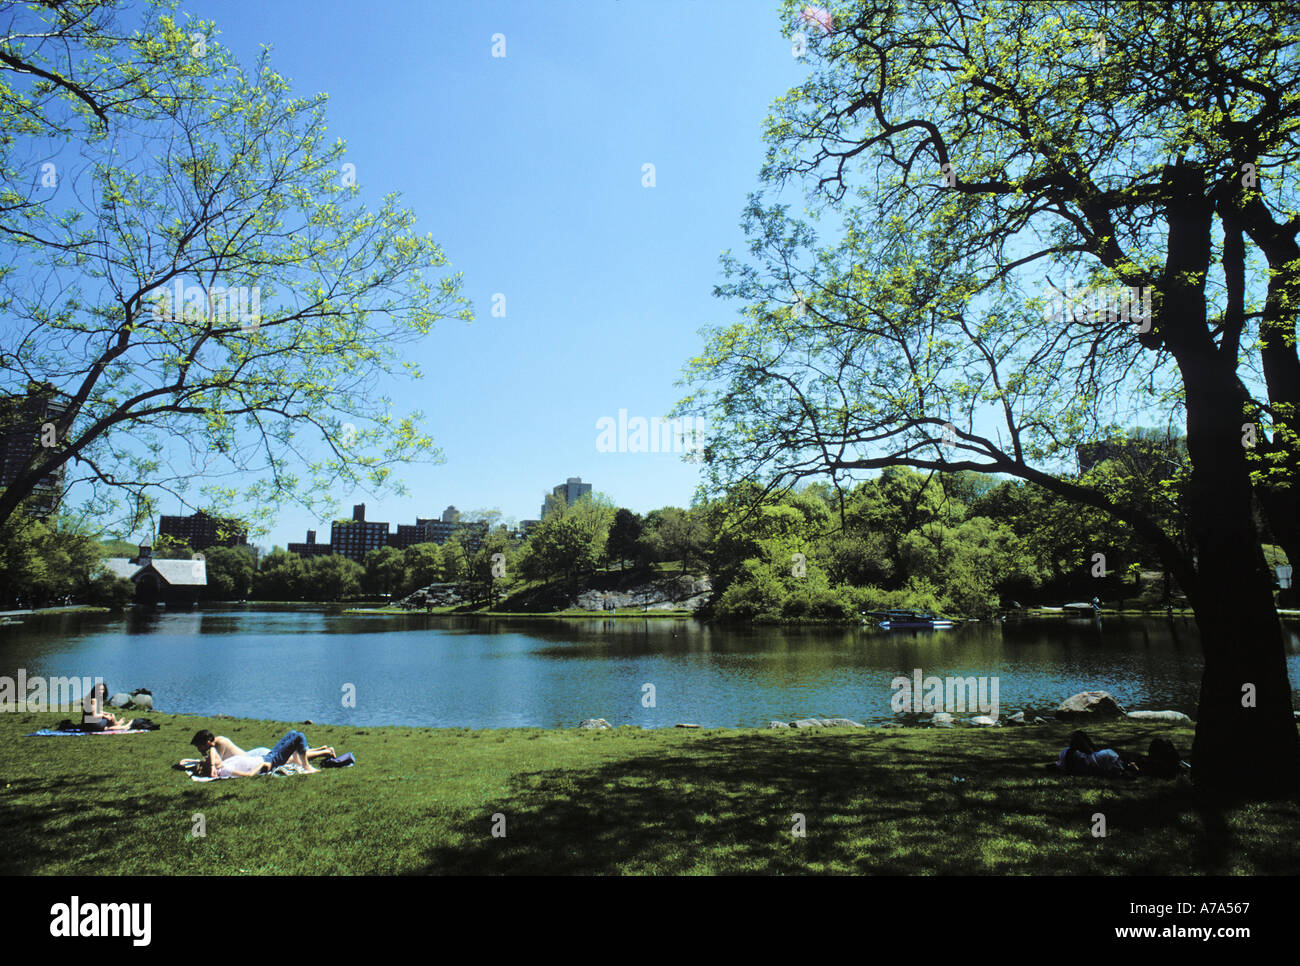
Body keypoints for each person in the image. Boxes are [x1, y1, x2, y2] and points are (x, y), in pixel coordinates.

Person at [189, 730, 335, 777]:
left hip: (258, 757)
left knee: (292, 756)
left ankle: (313, 760)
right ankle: (322, 752)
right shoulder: (218, 752)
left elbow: (214, 761)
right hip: (261, 759)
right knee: (294, 743)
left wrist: (201, 764)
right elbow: (213, 763)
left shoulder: (218, 745)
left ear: (207, 743)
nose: (199, 751)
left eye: (199, 746)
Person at [1056, 730, 1140, 777]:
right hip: (1109, 762)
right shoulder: (1105, 755)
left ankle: (1130, 764)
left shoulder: (1065, 754)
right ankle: (1131, 764)